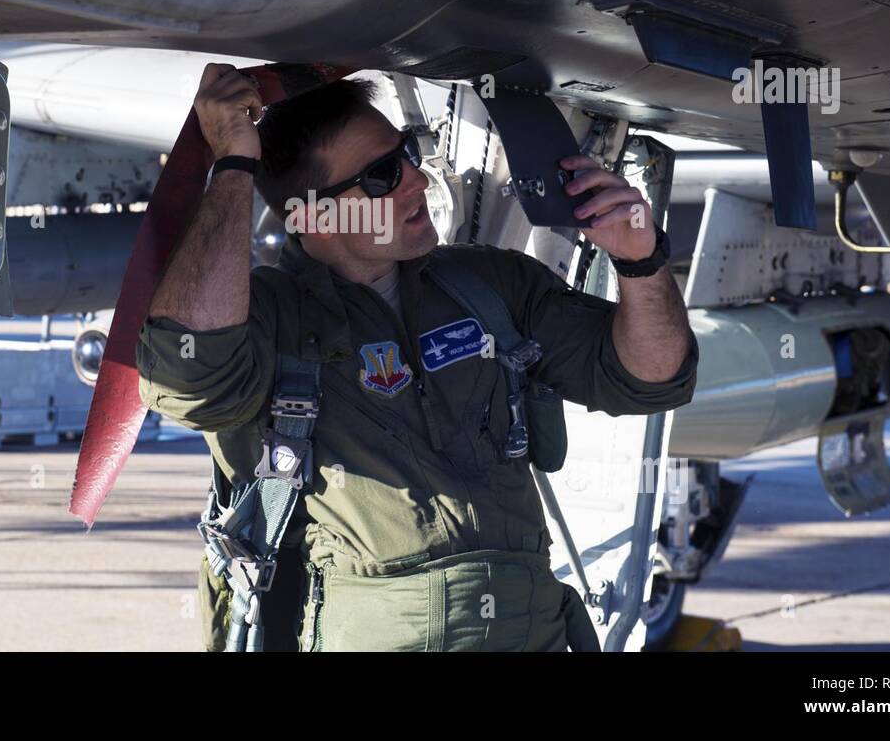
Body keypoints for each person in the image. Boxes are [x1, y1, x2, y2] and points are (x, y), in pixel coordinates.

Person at [138, 63, 699, 651]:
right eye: (383, 177)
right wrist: (232, 165)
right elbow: (188, 374)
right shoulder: (274, 321)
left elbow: (651, 379)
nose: (417, 181)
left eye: (406, 155)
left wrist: (640, 262)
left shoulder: (487, 287)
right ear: (314, 216)